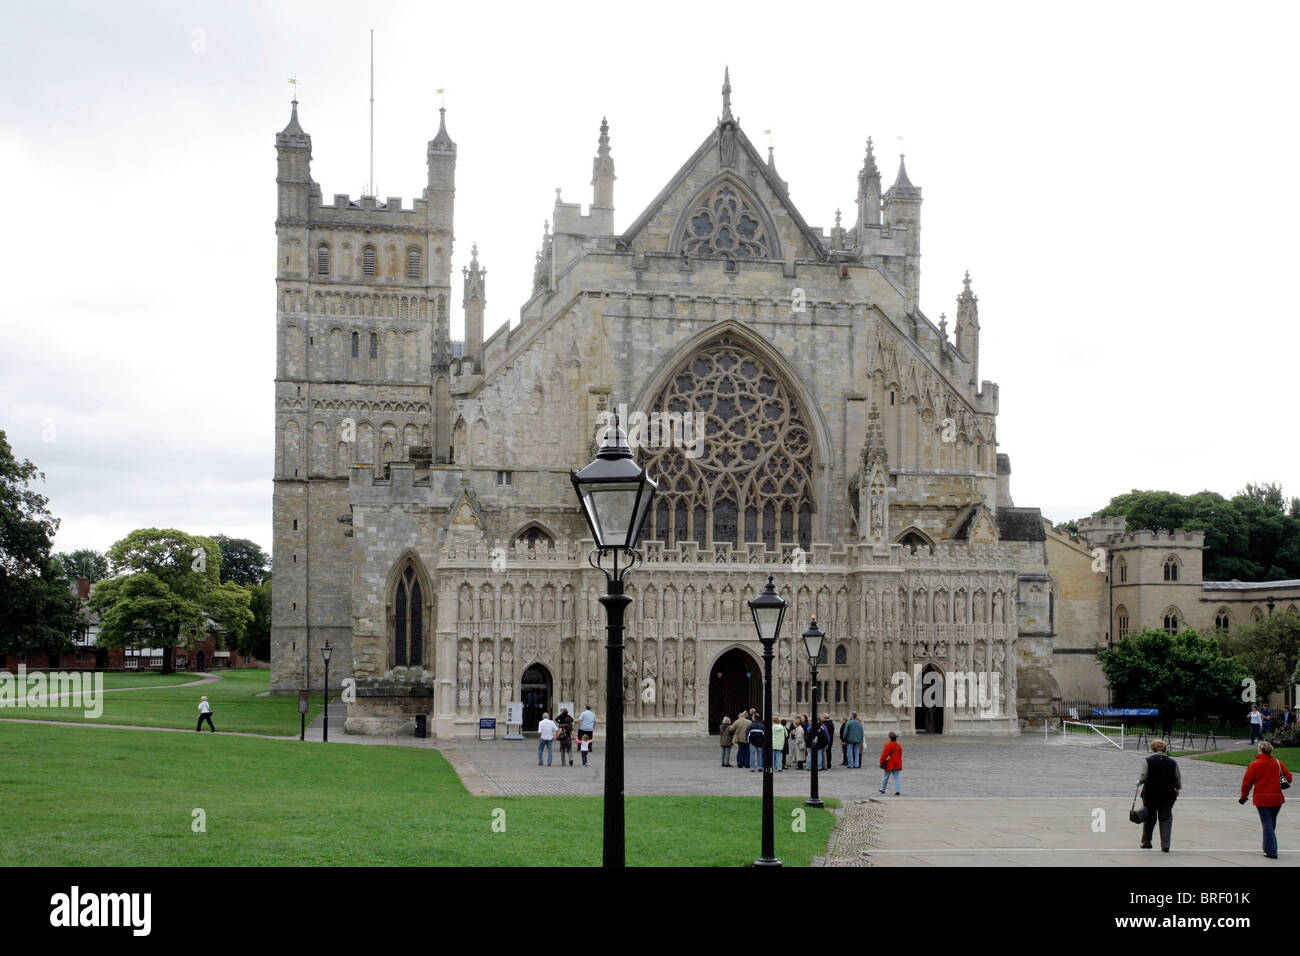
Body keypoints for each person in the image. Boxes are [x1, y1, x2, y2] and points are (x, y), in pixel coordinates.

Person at [1240, 740, 1293, 859]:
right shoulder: (1278, 763)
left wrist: (1244, 796)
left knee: (1267, 823)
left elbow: (1247, 783)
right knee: (1270, 823)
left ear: (1260, 750)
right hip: (1277, 798)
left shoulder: (1254, 764)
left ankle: (1271, 851)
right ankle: (1267, 847)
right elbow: (1289, 778)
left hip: (1261, 799)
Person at [1136, 739, 1180, 852]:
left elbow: (1143, 777)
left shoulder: (1148, 760)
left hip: (1151, 793)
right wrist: (1177, 788)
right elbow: (1177, 778)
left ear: (1153, 748)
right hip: (1168, 794)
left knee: (1149, 818)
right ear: (1164, 749)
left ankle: (1146, 842)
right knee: (1166, 818)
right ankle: (1165, 845)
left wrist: (1139, 782)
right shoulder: (1172, 762)